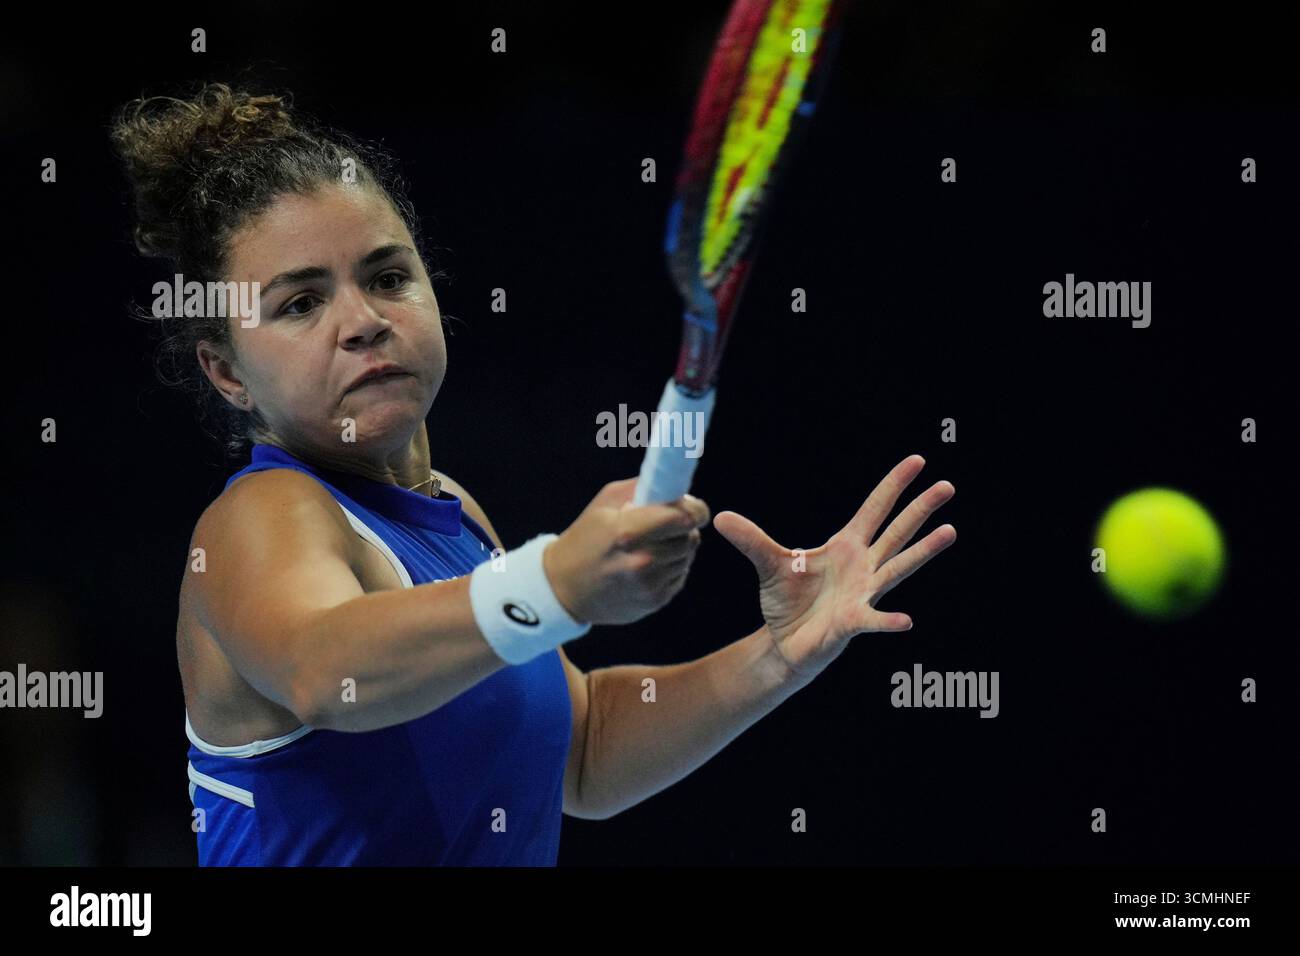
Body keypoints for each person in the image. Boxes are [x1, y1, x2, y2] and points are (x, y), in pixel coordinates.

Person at [111, 82, 957, 865]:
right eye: (300, 303)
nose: (363, 321)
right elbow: (322, 669)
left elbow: (581, 756)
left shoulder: (451, 513)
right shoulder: (261, 517)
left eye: (387, 276)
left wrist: (778, 656)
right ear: (226, 372)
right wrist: (552, 582)